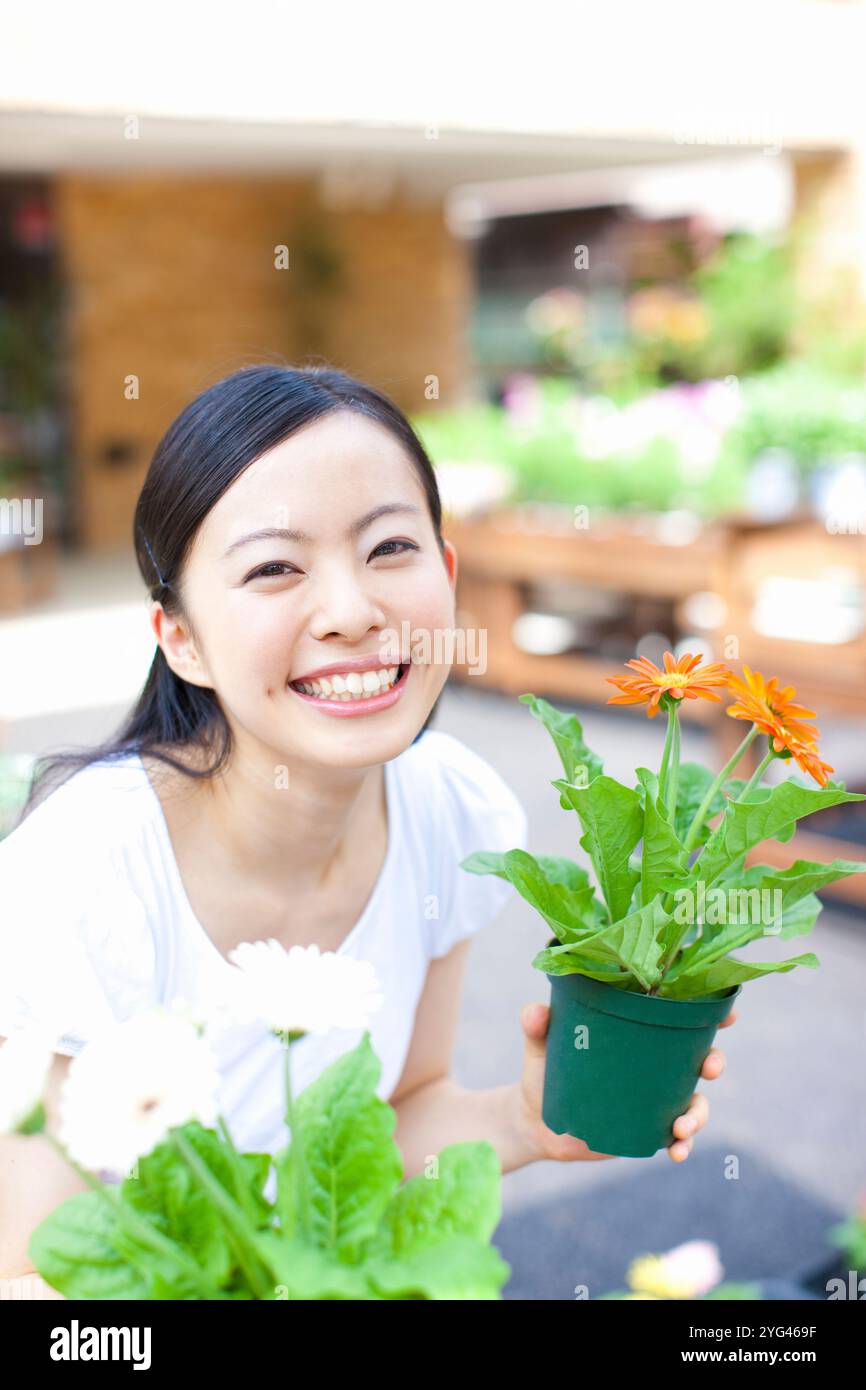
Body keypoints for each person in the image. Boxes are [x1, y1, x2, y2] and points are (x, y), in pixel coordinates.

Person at [0, 363, 734, 1291]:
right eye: (274, 568)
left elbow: (396, 1121)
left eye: (390, 549)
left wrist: (523, 1120)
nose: (352, 612)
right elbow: (31, 1277)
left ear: (448, 572)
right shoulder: (79, 880)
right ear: (179, 637)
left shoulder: (441, 808)